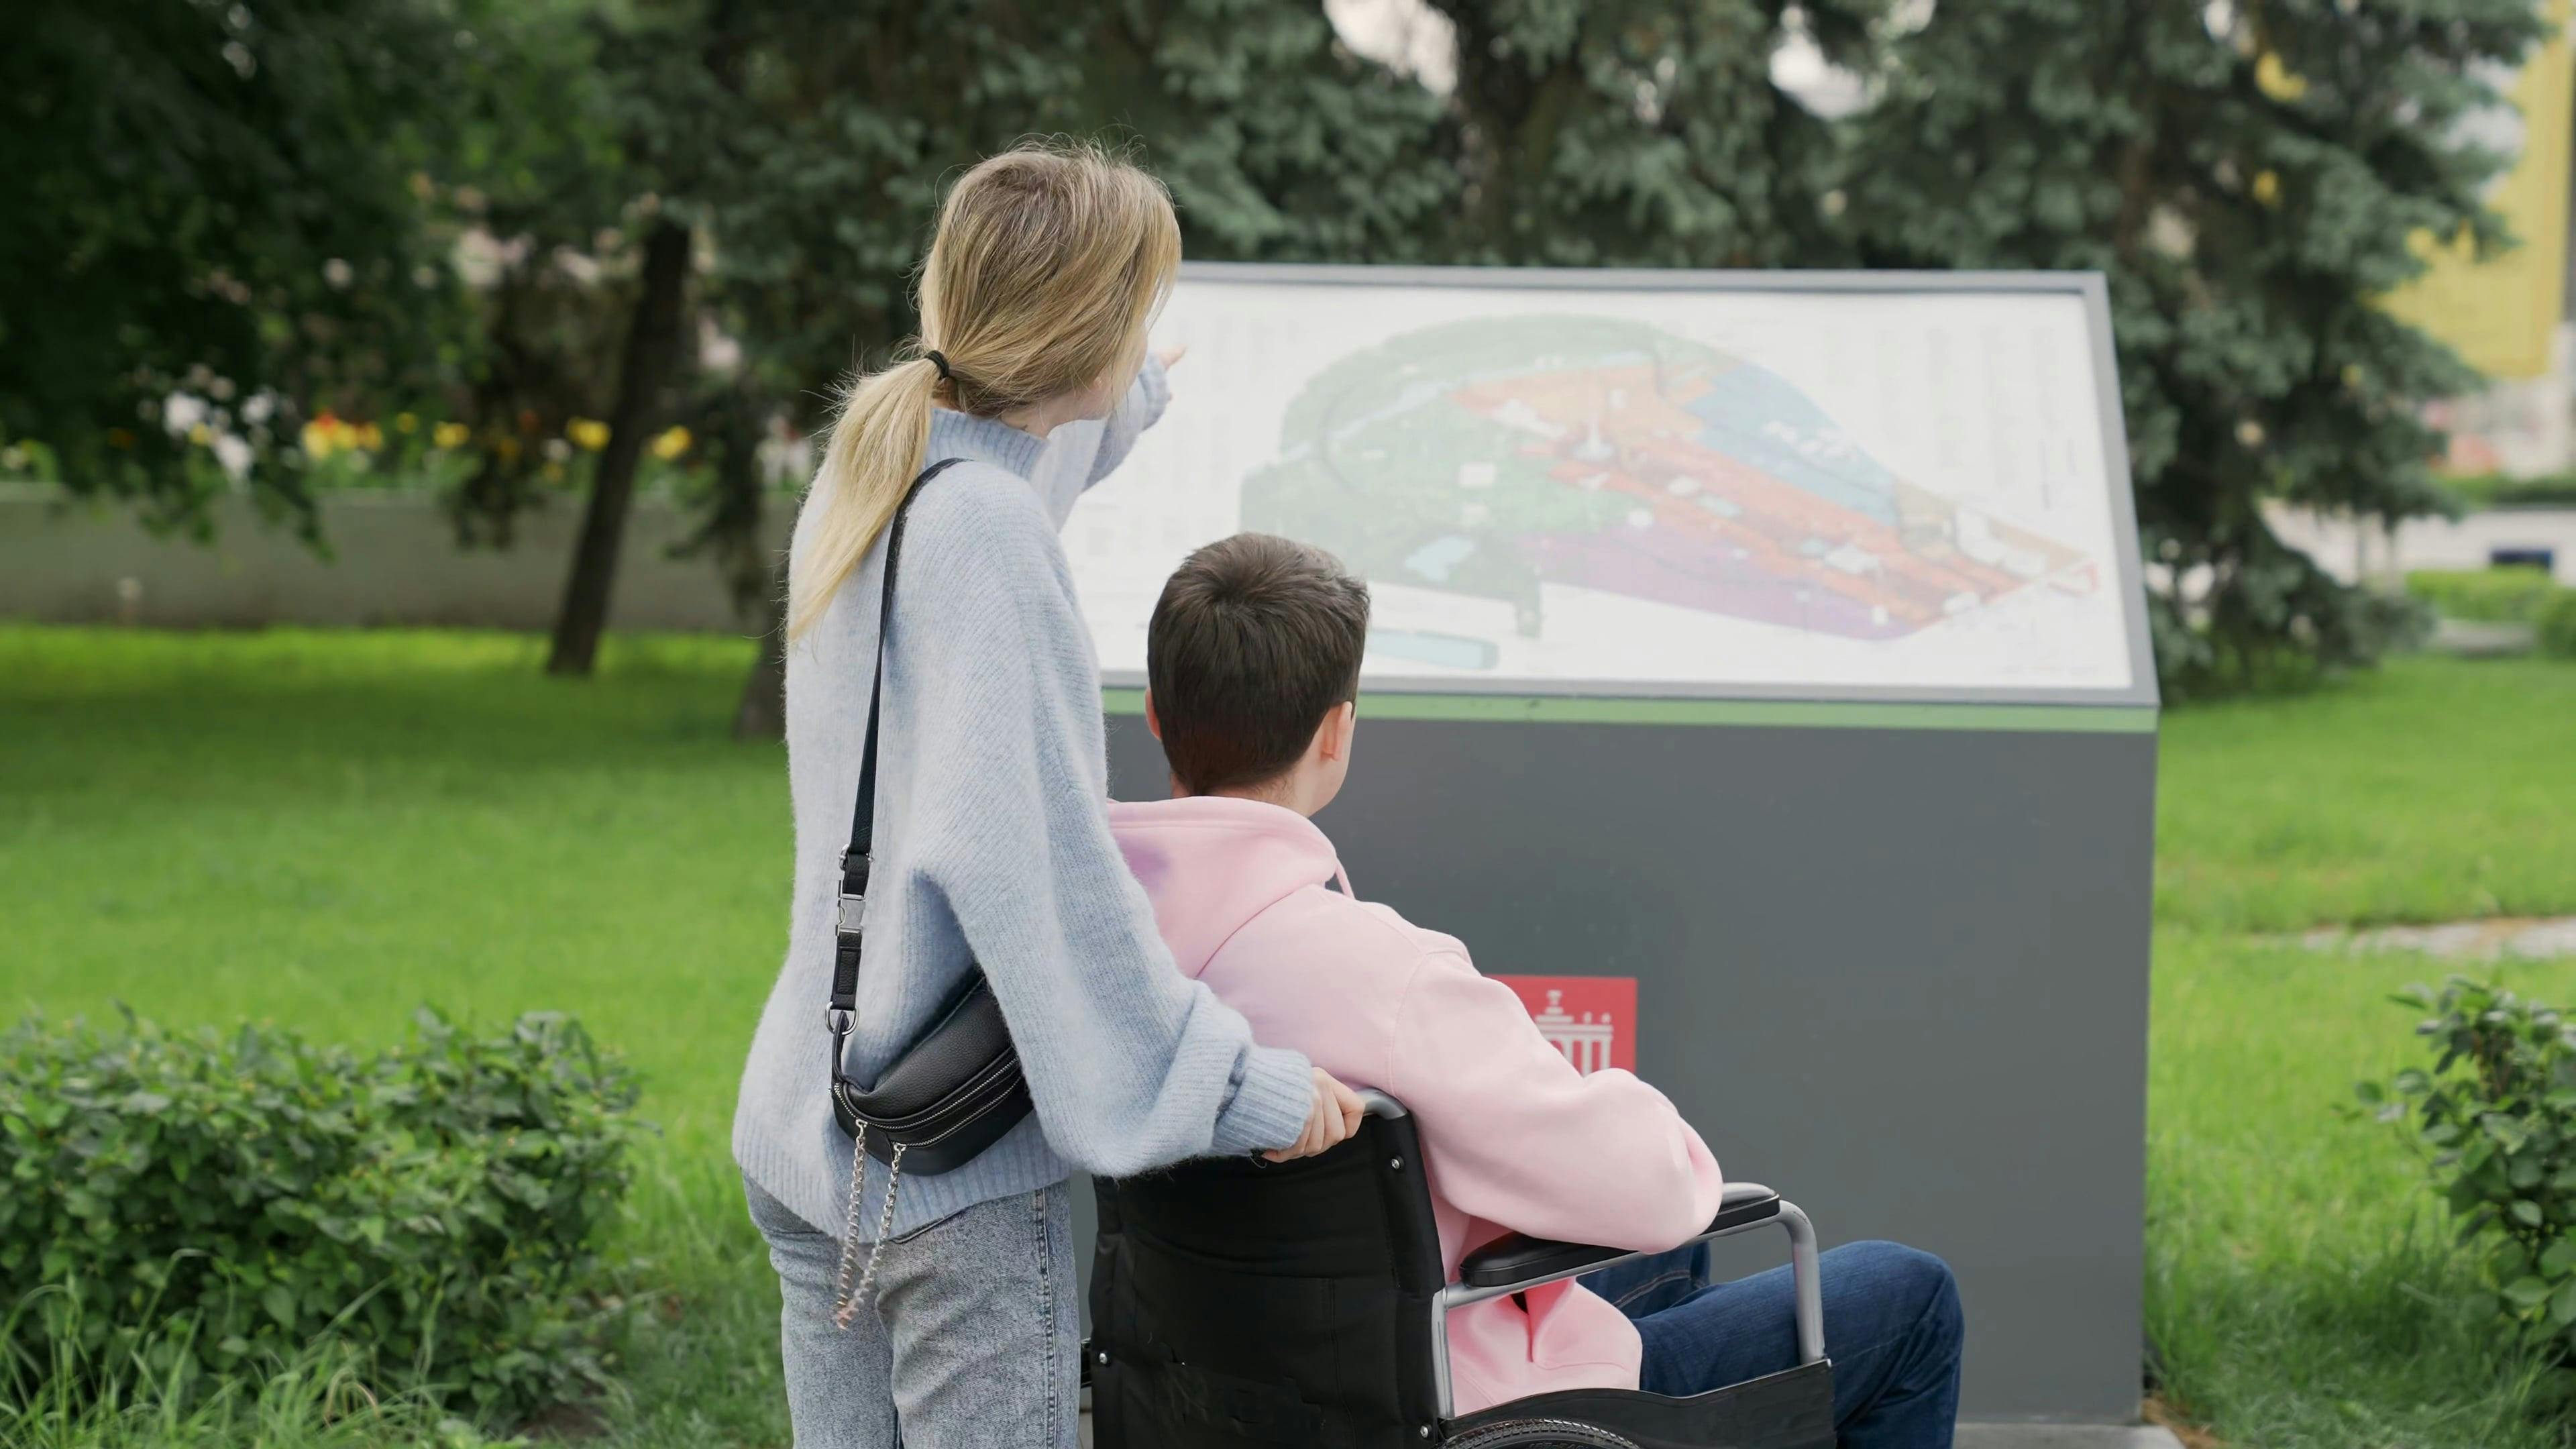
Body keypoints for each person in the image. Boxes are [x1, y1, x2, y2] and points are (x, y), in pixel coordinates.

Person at [731, 145, 1365, 1449]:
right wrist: (1245, 1090)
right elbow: (1051, 893)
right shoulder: (992, 543)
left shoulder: (874, 472)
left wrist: (1128, 402)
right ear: (1090, 330)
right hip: (939, 1186)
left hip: (812, 1128)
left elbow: (1008, 470)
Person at [1109, 532, 1967, 1447]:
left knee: (1669, 1265)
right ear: (1336, 730)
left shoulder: (1098, 945)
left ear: (1156, 713)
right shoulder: (1387, 975)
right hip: (1452, 1408)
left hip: (1234, 1392)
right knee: (1909, 1295)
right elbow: (1654, 1188)